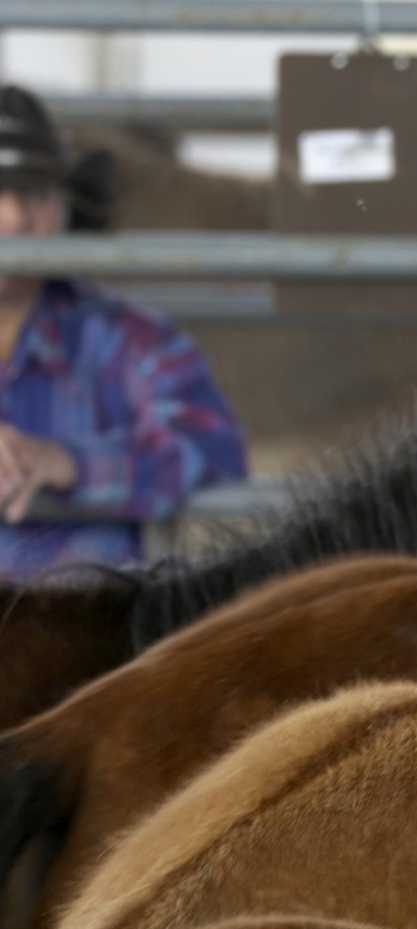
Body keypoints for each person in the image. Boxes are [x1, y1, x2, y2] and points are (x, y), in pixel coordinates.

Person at [0, 83, 247, 575]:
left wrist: (71, 464)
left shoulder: (129, 340)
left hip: (84, 622)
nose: (15, 216)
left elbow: (217, 454)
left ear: (67, 206)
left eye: (37, 192)